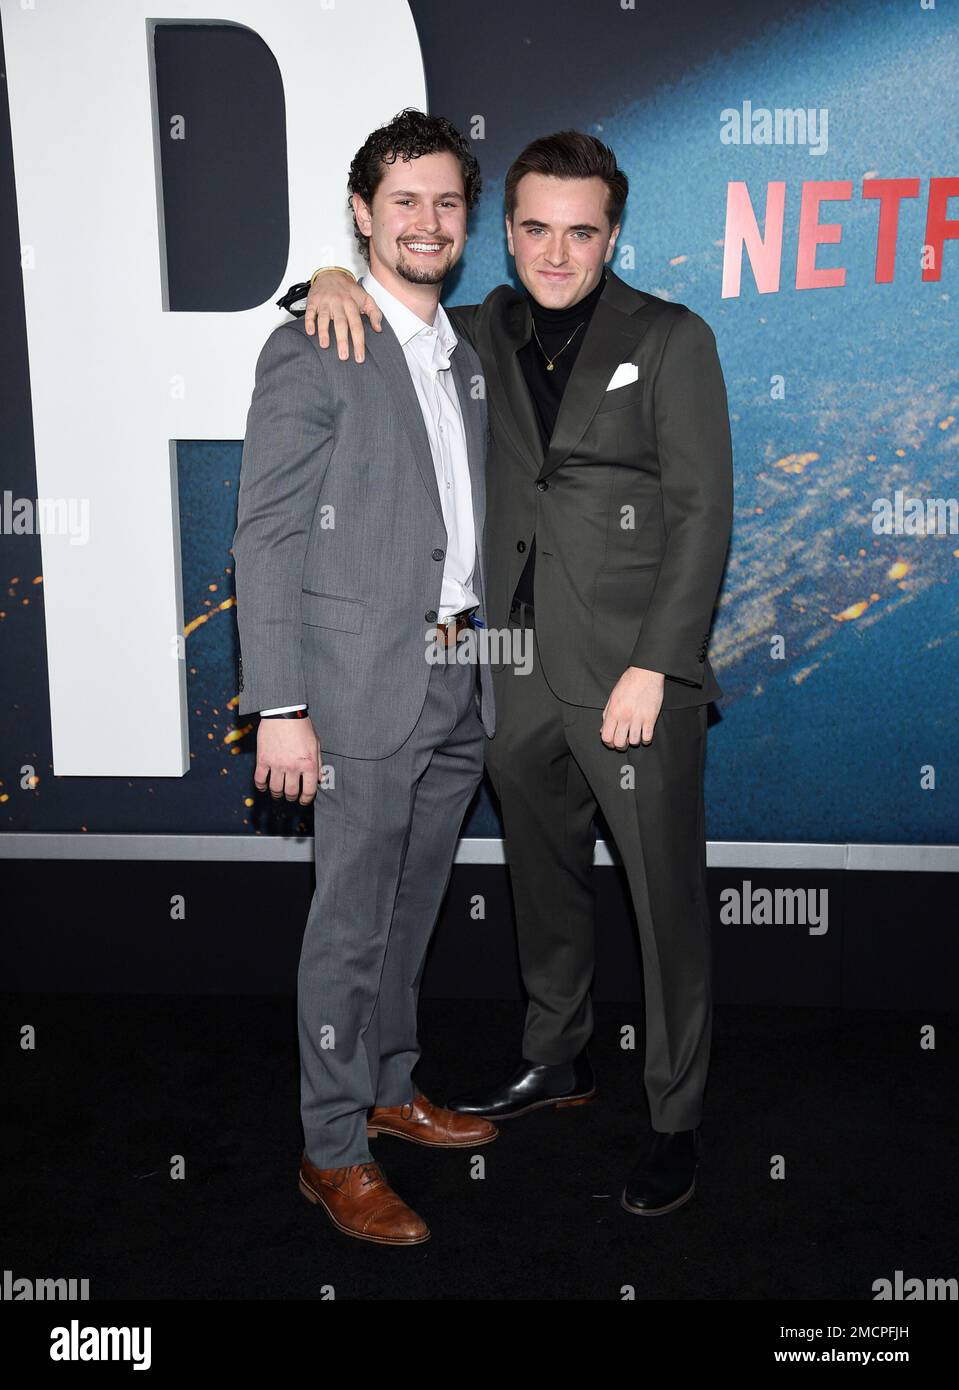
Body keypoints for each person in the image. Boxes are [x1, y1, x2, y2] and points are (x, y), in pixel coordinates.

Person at [281, 129, 733, 1216]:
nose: (556, 251)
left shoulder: (670, 338)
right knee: (544, 883)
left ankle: (674, 1115)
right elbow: (360, 295)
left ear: (611, 233)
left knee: (663, 905)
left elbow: (701, 516)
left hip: (631, 678)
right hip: (508, 668)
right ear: (510, 231)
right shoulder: (477, 327)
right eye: (534, 227)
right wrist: (332, 276)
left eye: (581, 231)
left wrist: (657, 668)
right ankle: (559, 1055)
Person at [233, 108, 498, 1246]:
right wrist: (280, 707)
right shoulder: (313, 342)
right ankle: (330, 1149)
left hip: (458, 678)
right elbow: (265, 537)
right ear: (361, 214)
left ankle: (390, 1085)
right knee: (347, 924)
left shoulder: (465, 354)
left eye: (444, 202)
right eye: (403, 201)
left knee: (411, 910)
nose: (426, 221)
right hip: (348, 690)